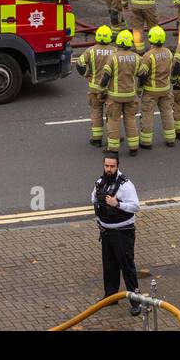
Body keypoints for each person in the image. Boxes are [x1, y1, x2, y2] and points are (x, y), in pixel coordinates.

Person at [91, 149, 142, 315]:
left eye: (112, 166)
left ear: (117, 166)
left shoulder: (126, 185)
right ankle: (110, 297)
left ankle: (136, 302)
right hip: (106, 232)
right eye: (106, 166)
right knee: (109, 266)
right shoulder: (100, 182)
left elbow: (136, 206)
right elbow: (93, 199)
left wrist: (117, 204)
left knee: (127, 266)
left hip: (123, 232)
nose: (108, 169)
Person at [98, 28, 141, 155]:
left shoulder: (113, 58)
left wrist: (101, 90)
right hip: (130, 95)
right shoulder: (136, 57)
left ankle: (113, 149)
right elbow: (143, 74)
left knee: (113, 120)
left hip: (115, 96)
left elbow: (106, 77)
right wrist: (139, 89)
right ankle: (133, 148)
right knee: (130, 119)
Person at [136, 26, 176, 148]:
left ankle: (146, 142)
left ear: (150, 39)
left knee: (147, 115)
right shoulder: (168, 52)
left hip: (151, 91)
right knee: (167, 113)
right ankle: (170, 139)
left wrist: (139, 89)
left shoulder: (148, 56)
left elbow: (143, 75)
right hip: (165, 89)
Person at [76, 25, 115, 146]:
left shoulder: (91, 51)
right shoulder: (115, 51)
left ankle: (97, 139)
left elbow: (79, 64)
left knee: (96, 112)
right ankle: (112, 137)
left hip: (94, 88)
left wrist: (86, 74)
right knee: (111, 114)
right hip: (110, 88)